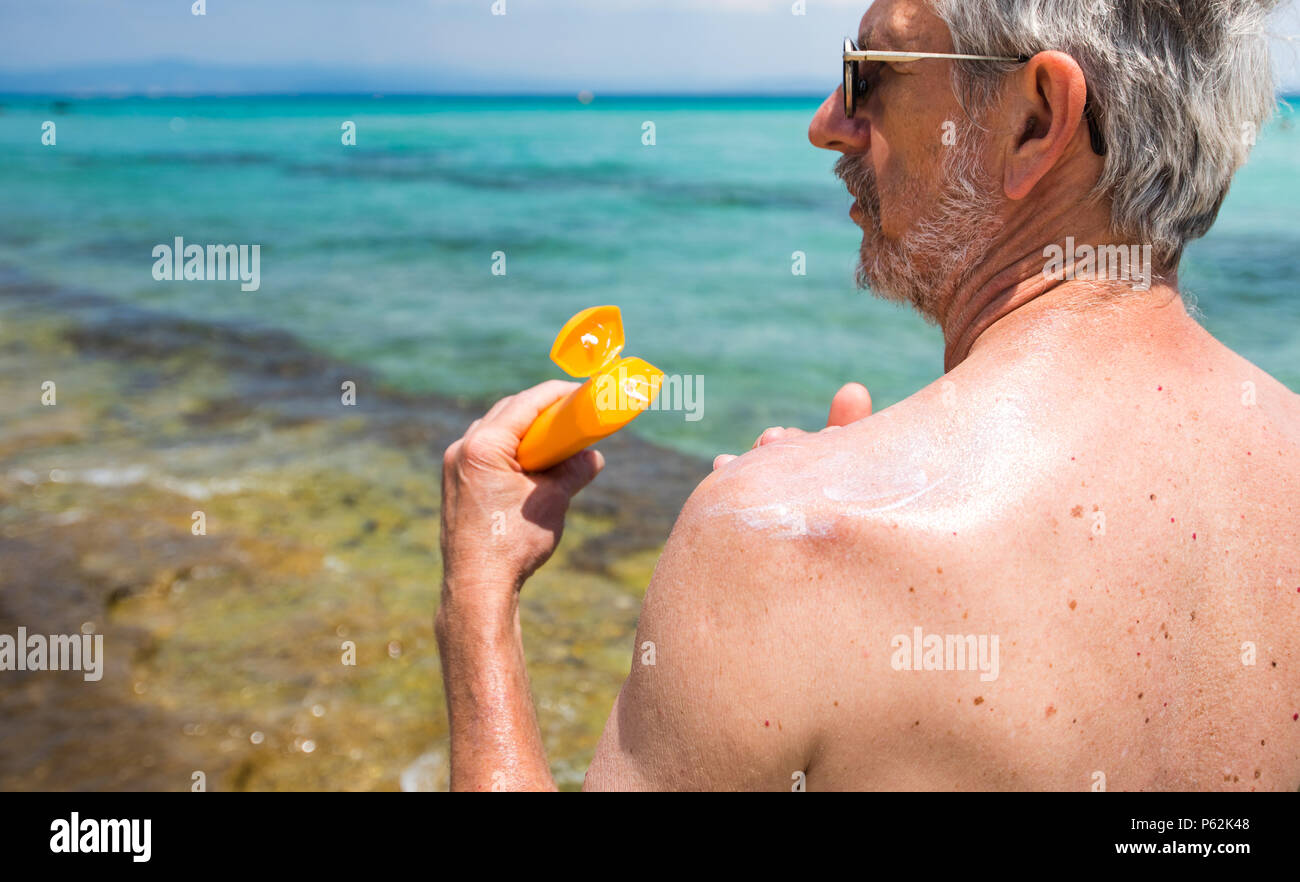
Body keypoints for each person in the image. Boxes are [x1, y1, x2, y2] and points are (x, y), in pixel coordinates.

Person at [436, 0, 1300, 790]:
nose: (827, 124)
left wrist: (477, 602)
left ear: (1036, 120)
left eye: (868, 73)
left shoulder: (776, 540)